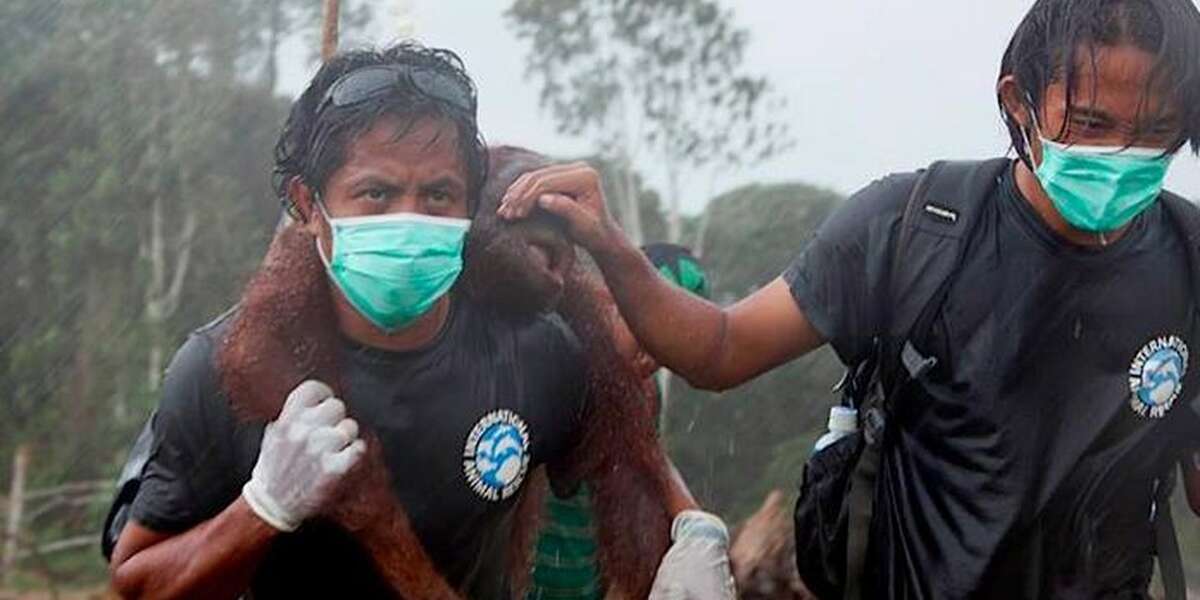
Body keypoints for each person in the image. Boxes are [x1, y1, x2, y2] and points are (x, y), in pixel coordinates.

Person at [499, 0, 1200, 596]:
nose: (1121, 158)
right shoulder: (911, 229)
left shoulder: (1189, 256)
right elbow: (718, 349)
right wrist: (611, 247)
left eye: (1154, 134)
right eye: (1092, 125)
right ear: (1019, 102)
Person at [107, 43, 591, 599]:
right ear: (309, 207)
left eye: (438, 195)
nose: (409, 220)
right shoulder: (220, 370)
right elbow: (136, 585)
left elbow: (617, 467)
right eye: (376, 194)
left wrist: (685, 534)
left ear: (469, 206)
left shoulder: (535, 354)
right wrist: (263, 506)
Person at [526, 243, 713, 600]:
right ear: (611, 300)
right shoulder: (556, 350)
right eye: (646, 321)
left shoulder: (643, 393)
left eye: (673, 337)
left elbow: (649, 466)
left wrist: (700, 532)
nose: (654, 349)